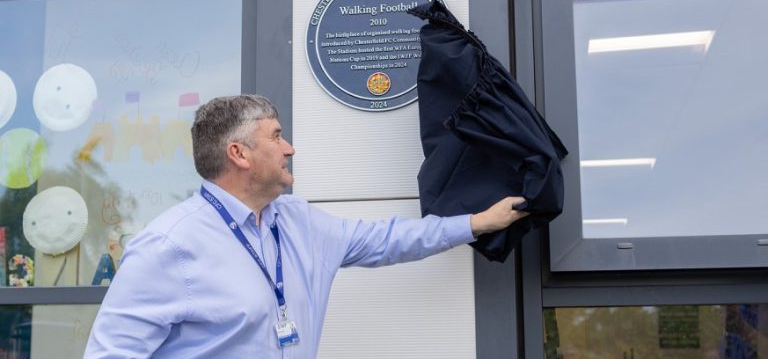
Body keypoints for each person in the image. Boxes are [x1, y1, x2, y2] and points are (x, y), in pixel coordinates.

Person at [84, 94, 528, 358]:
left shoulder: (299, 221)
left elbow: (388, 240)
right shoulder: (168, 246)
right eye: (277, 136)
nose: (290, 148)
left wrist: (476, 223)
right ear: (239, 154)